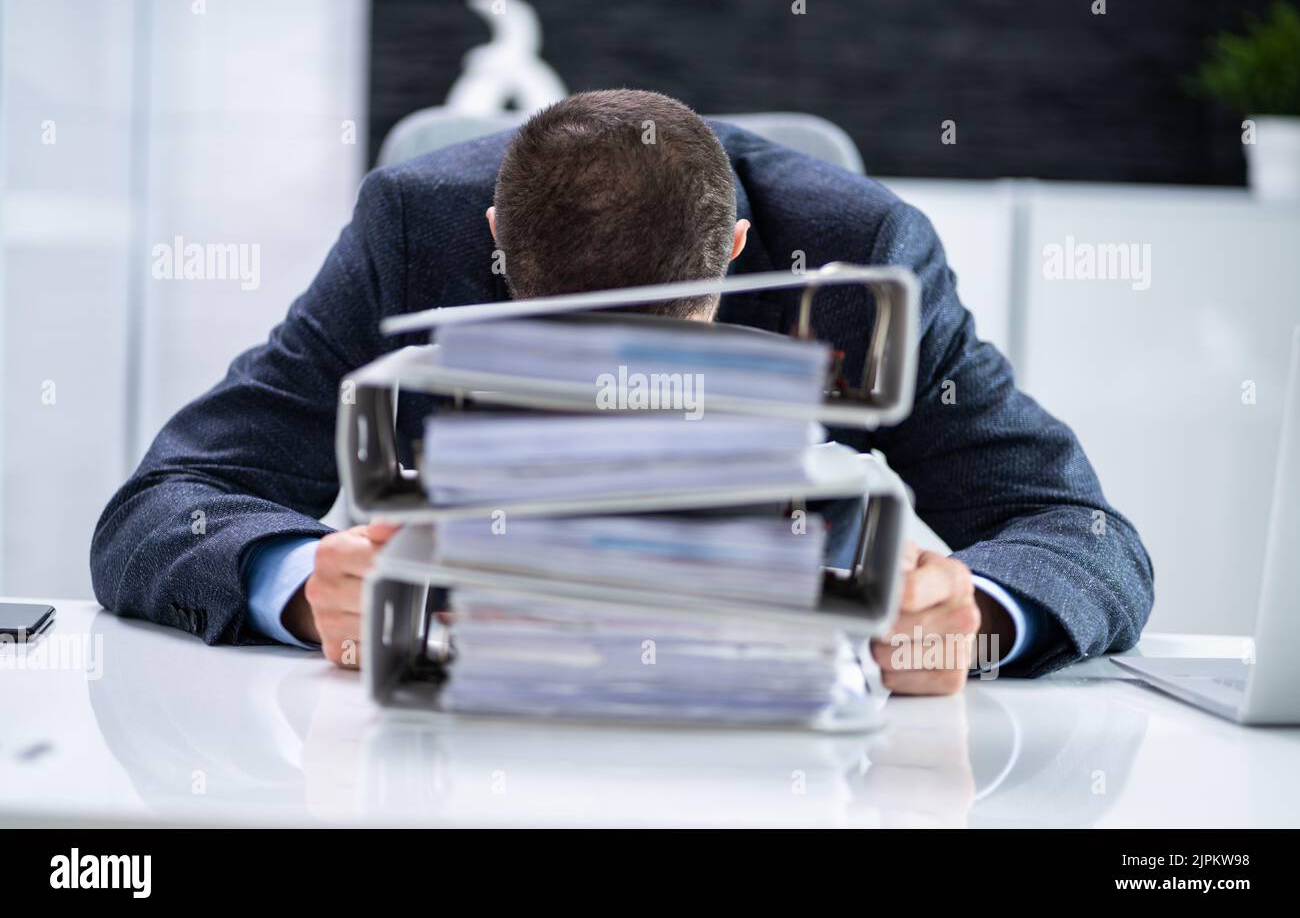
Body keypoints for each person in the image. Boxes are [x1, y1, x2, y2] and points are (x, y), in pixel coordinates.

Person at [90, 89, 1153, 694]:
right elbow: (167, 501)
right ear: (495, 244)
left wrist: (974, 619)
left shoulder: (857, 259)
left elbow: (1080, 529)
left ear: (740, 256)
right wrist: (296, 580)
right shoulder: (413, 229)